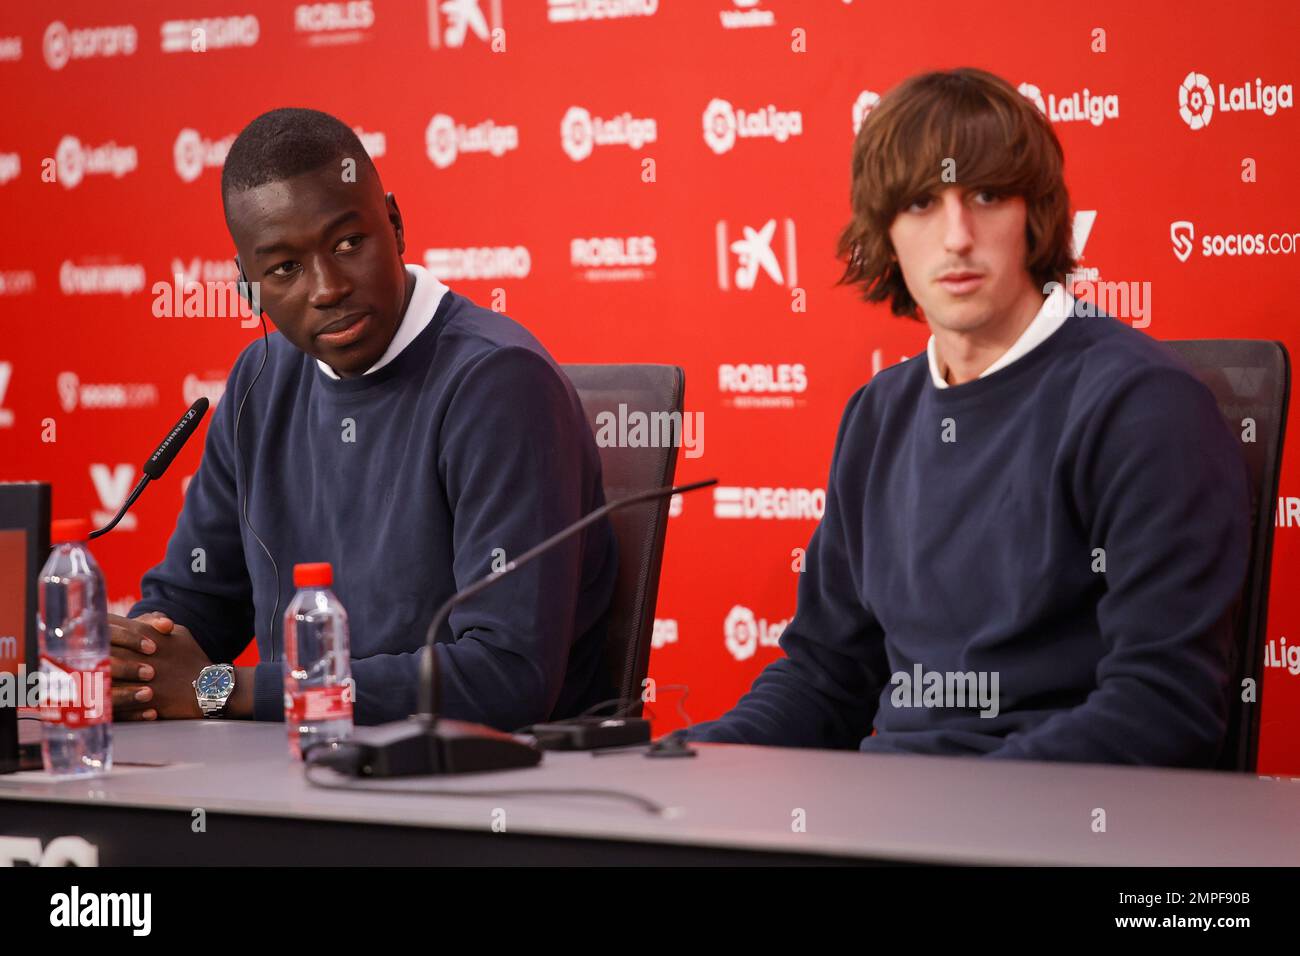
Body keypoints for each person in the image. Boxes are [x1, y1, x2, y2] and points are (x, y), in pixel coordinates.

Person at [685, 68, 1251, 766]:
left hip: (1052, 830)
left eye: (986, 195)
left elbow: (1163, 707)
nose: (956, 236)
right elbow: (825, 679)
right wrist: (684, 760)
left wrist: (952, 815)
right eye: (921, 203)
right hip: (890, 824)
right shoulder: (878, 414)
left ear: (1034, 216)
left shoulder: (1140, 406)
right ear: (885, 234)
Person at [108, 107, 618, 730]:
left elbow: (506, 675)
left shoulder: (498, 384)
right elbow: (196, 600)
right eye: (285, 269)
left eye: (348, 243)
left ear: (396, 226)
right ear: (249, 289)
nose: (327, 287)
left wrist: (222, 688)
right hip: (302, 780)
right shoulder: (259, 381)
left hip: (475, 793)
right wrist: (132, 662)